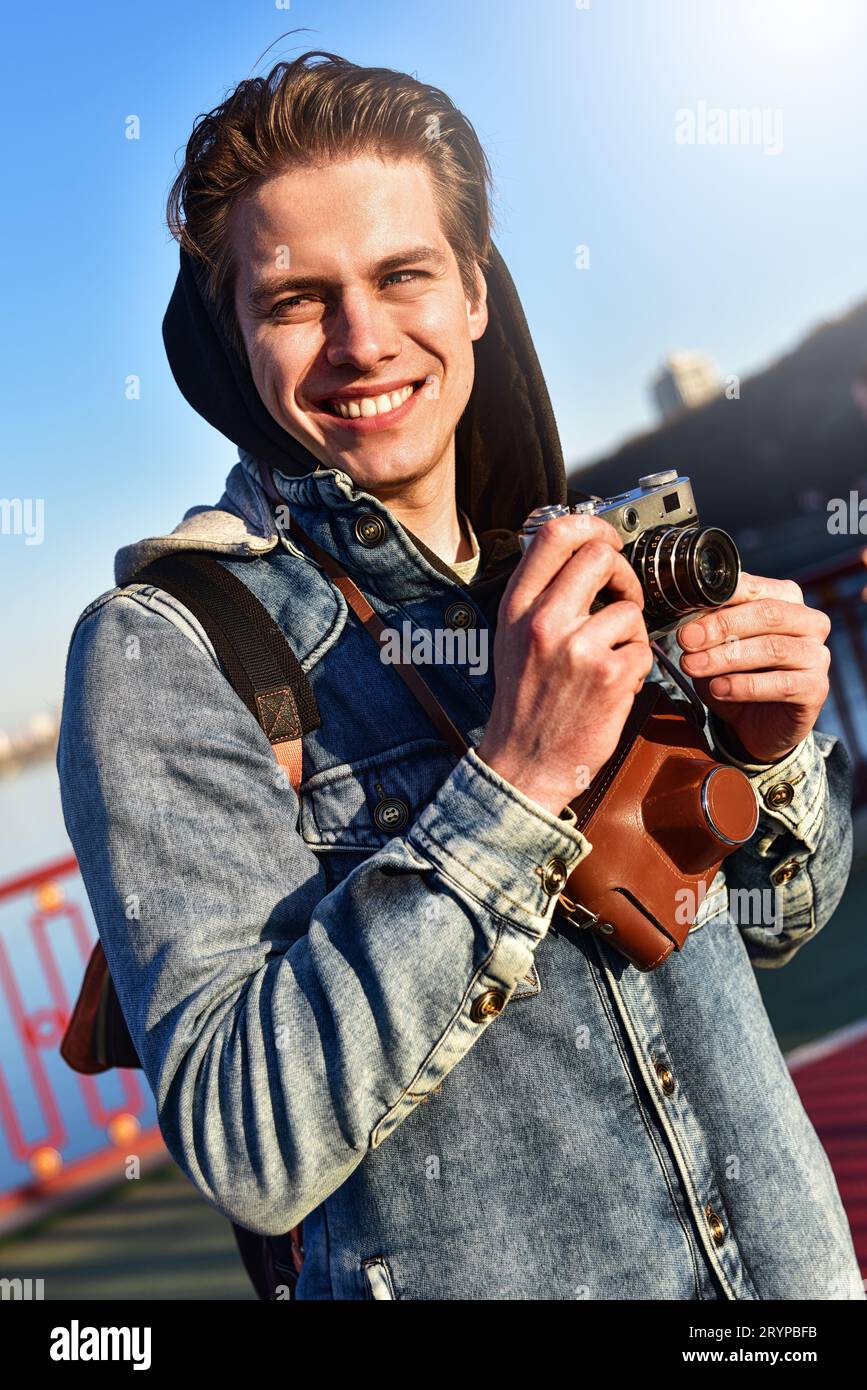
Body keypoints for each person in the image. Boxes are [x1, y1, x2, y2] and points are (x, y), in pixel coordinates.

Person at [57, 49, 863, 1301]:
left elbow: (783, 922)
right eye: (295, 300)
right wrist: (518, 774)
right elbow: (247, 1144)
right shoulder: (170, 647)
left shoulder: (585, 558)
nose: (363, 339)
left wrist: (773, 757)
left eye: (401, 275)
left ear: (475, 292)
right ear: (235, 339)